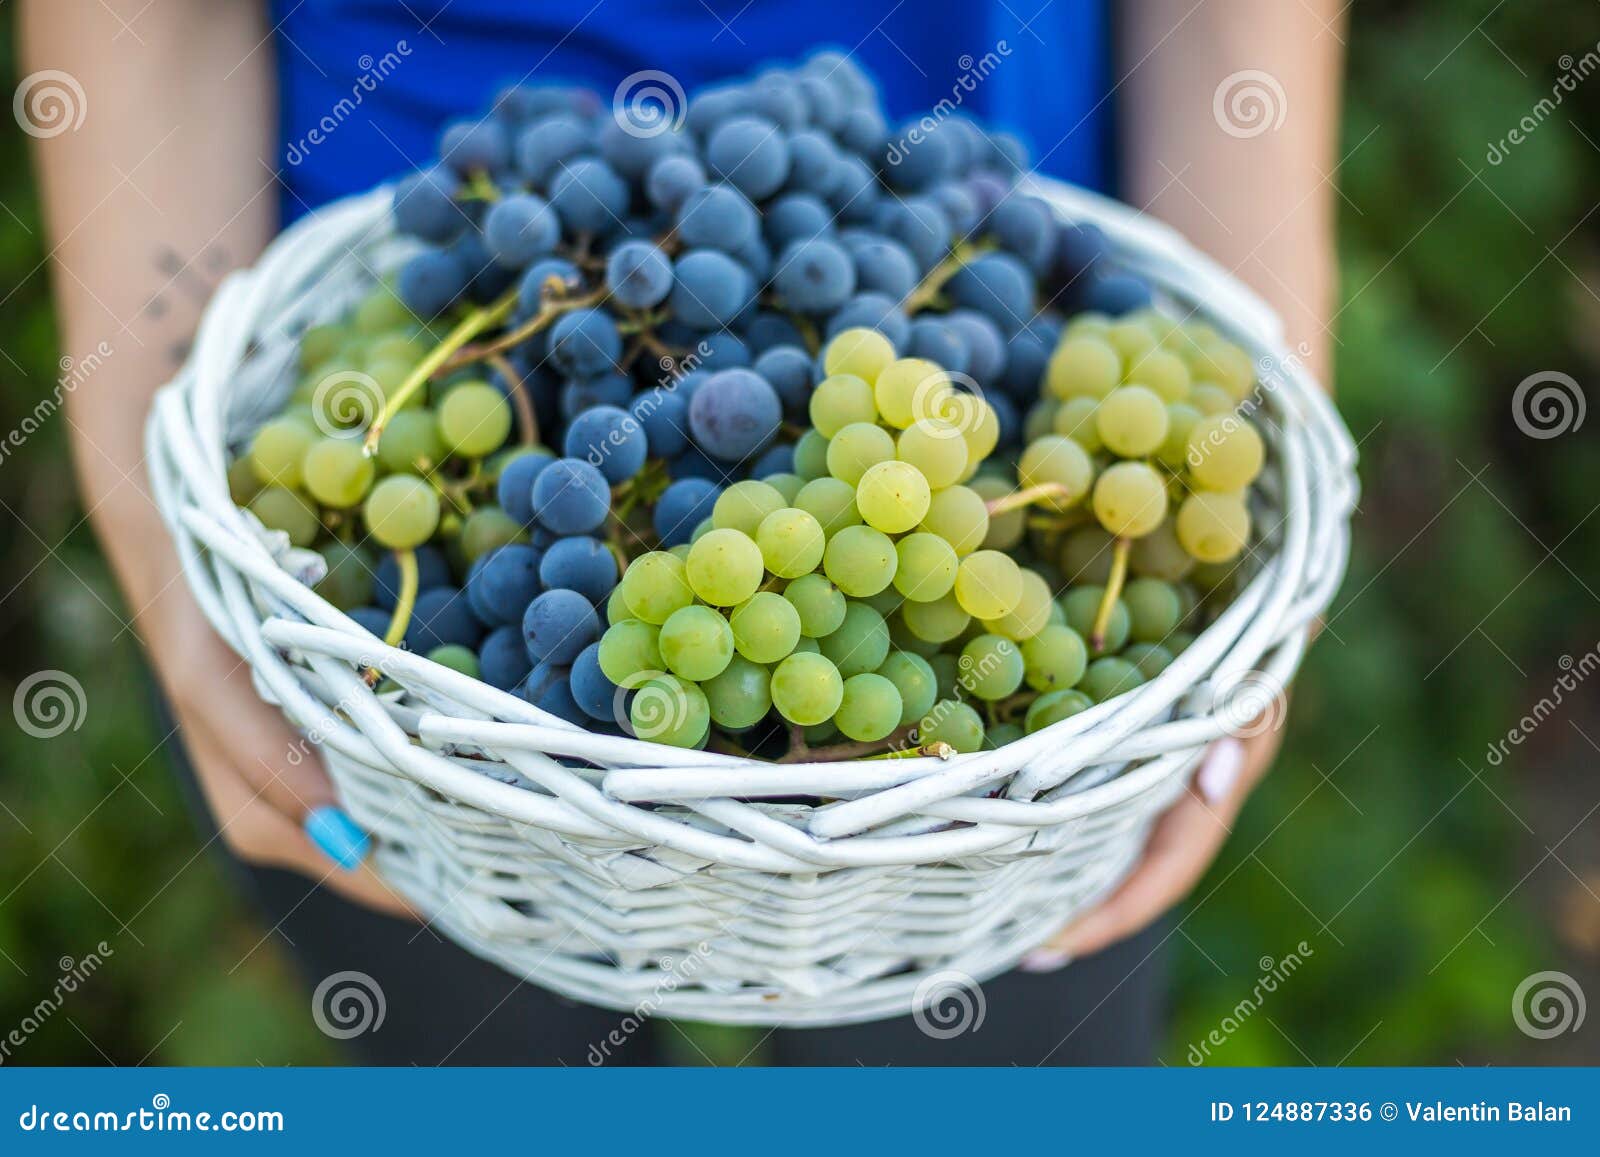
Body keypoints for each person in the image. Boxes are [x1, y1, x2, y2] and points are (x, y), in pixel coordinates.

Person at [21, 0, 1342, 1064]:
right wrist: (159, 512)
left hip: (1016, 313)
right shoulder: (395, 486)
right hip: (353, 541)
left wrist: (1259, 436)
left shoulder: (965, 433)